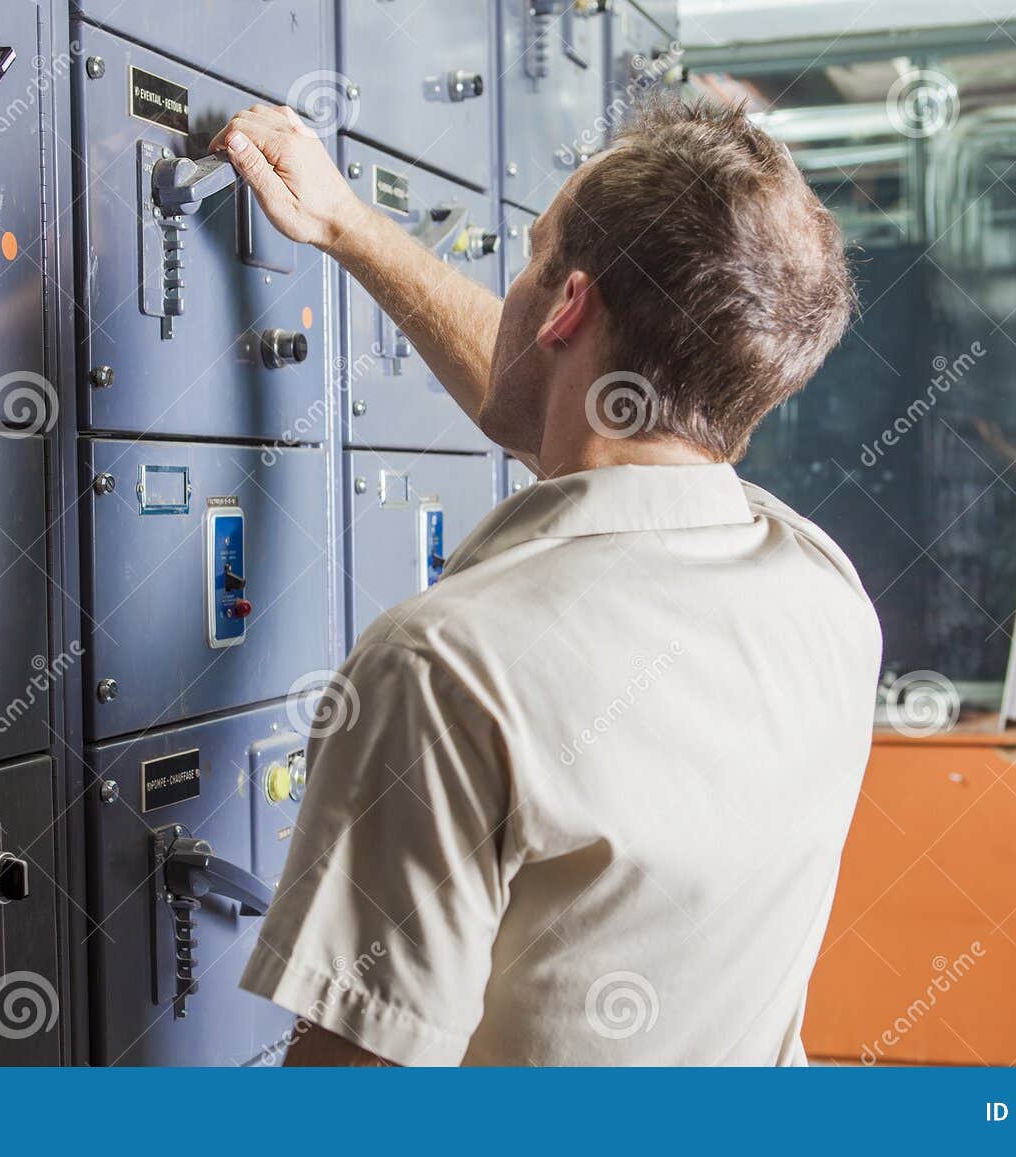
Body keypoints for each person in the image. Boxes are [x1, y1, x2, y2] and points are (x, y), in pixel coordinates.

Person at [210, 94, 882, 1066]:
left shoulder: (447, 663)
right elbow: (596, 419)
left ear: (566, 304)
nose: (517, 283)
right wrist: (348, 229)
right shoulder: (824, 590)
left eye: (531, 256)